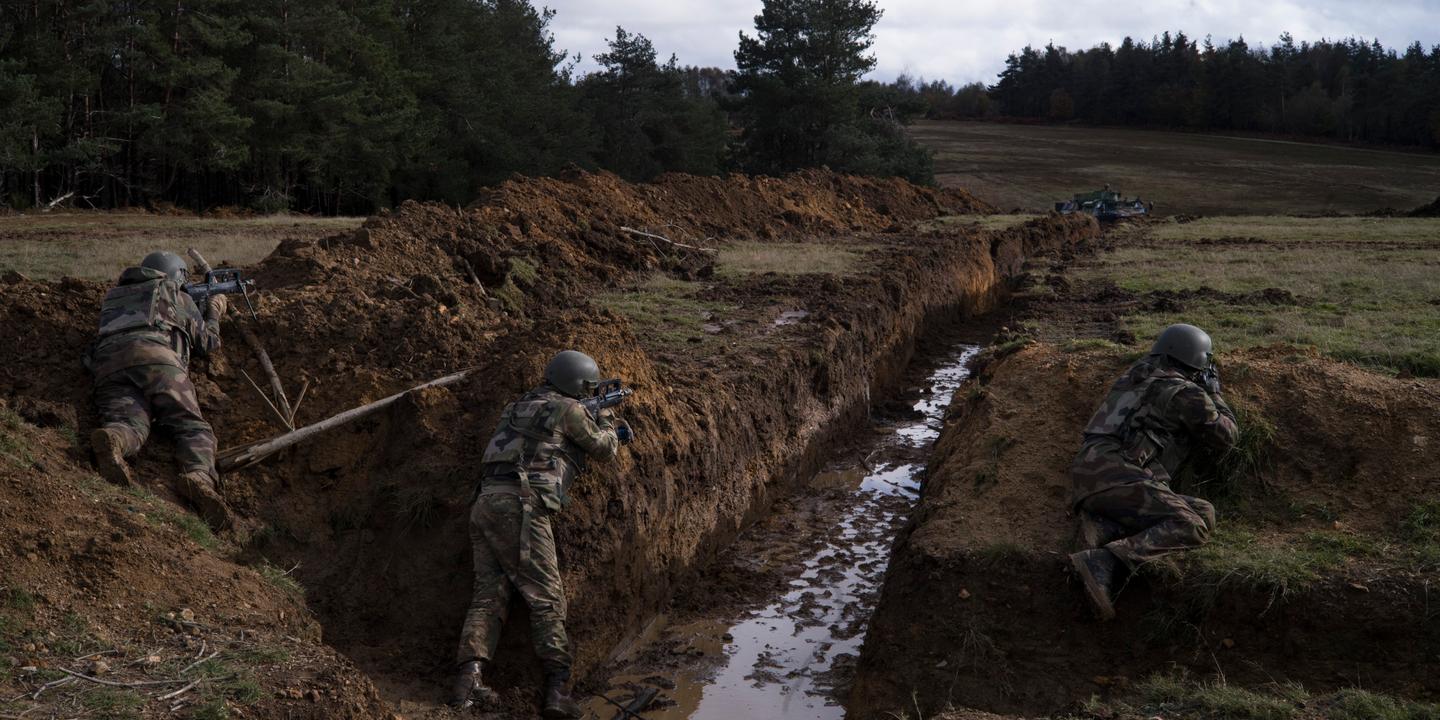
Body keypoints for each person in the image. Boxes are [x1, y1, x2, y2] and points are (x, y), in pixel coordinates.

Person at [449, 350, 634, 717]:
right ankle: (558, 689)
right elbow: (604, 449)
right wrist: (607, 417)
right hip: (522, 507)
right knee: (547, 598)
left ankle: (466, 684)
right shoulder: (570, 409)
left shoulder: (516, 406)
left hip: (485, 503)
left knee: (488, 596)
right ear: (578, 385)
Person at [1068, 324, 1239, 620]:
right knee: (1191, 524)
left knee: (1204, 511)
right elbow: (1227, 436)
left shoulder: (1131, 379)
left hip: (1089, 475)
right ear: (1197, 360)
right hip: (1120, 475)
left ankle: (1105, 529)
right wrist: (1214, 392)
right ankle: (1104, 560)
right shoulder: (1186, 393)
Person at [88, 251, 234, 531]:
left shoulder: (114, 297)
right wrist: (214, 311)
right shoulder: (177, 295)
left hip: (108, 363)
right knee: (192, 428)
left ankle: (115, 439)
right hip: (157, 360)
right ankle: (199, 477)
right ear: (177, 276)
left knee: (130, 423)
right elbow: (208, 342)